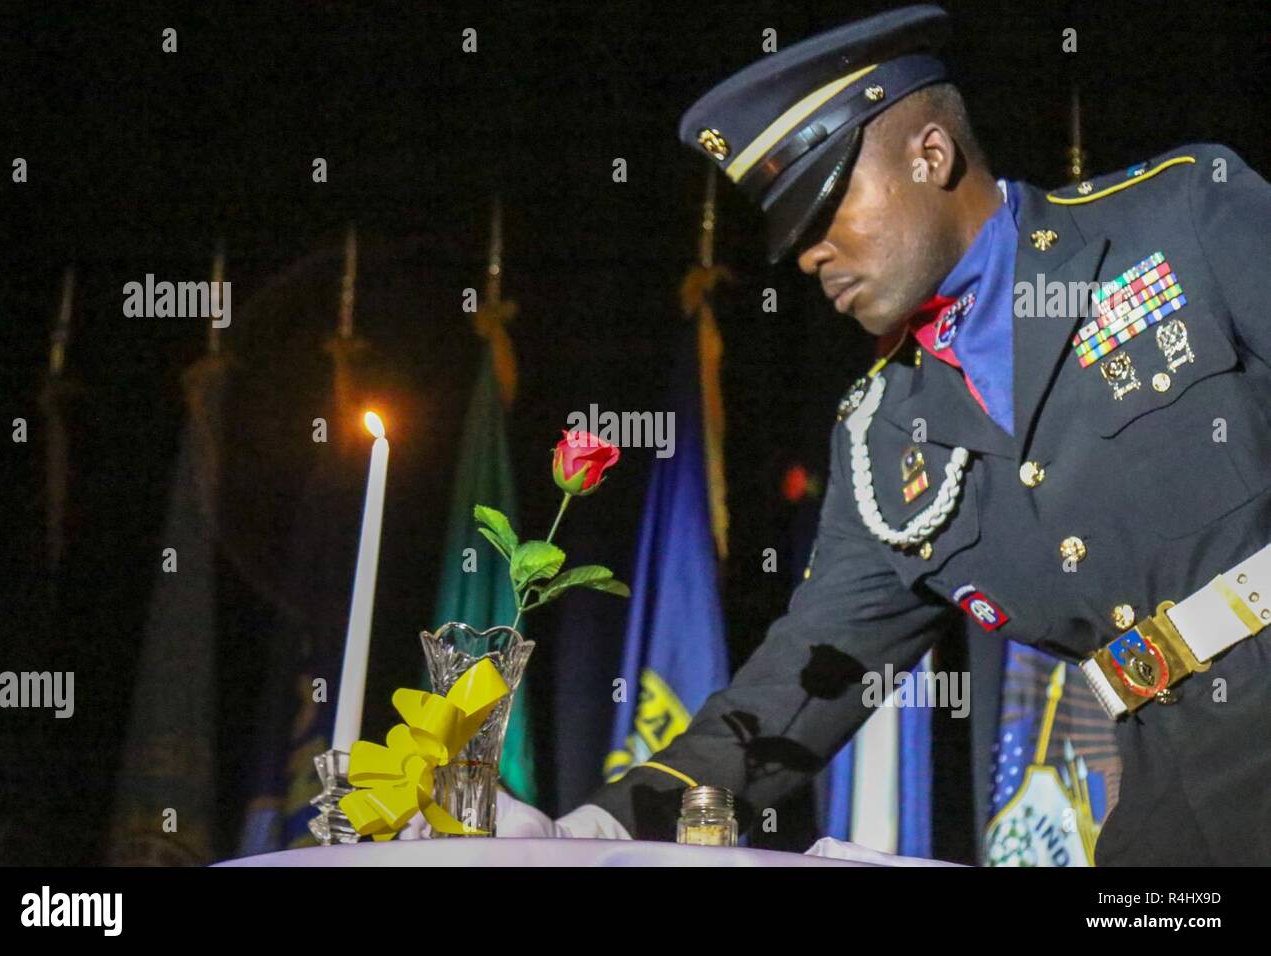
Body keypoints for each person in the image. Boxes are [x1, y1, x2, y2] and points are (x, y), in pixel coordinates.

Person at [417, 4, 1271, 865]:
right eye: (790, 232)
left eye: (828, 206)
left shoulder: (1177, 219)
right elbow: (797, 685)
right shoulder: (882, 436)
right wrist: (579, 833)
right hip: (1174, 806)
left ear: (930, 154)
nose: (806, 254)